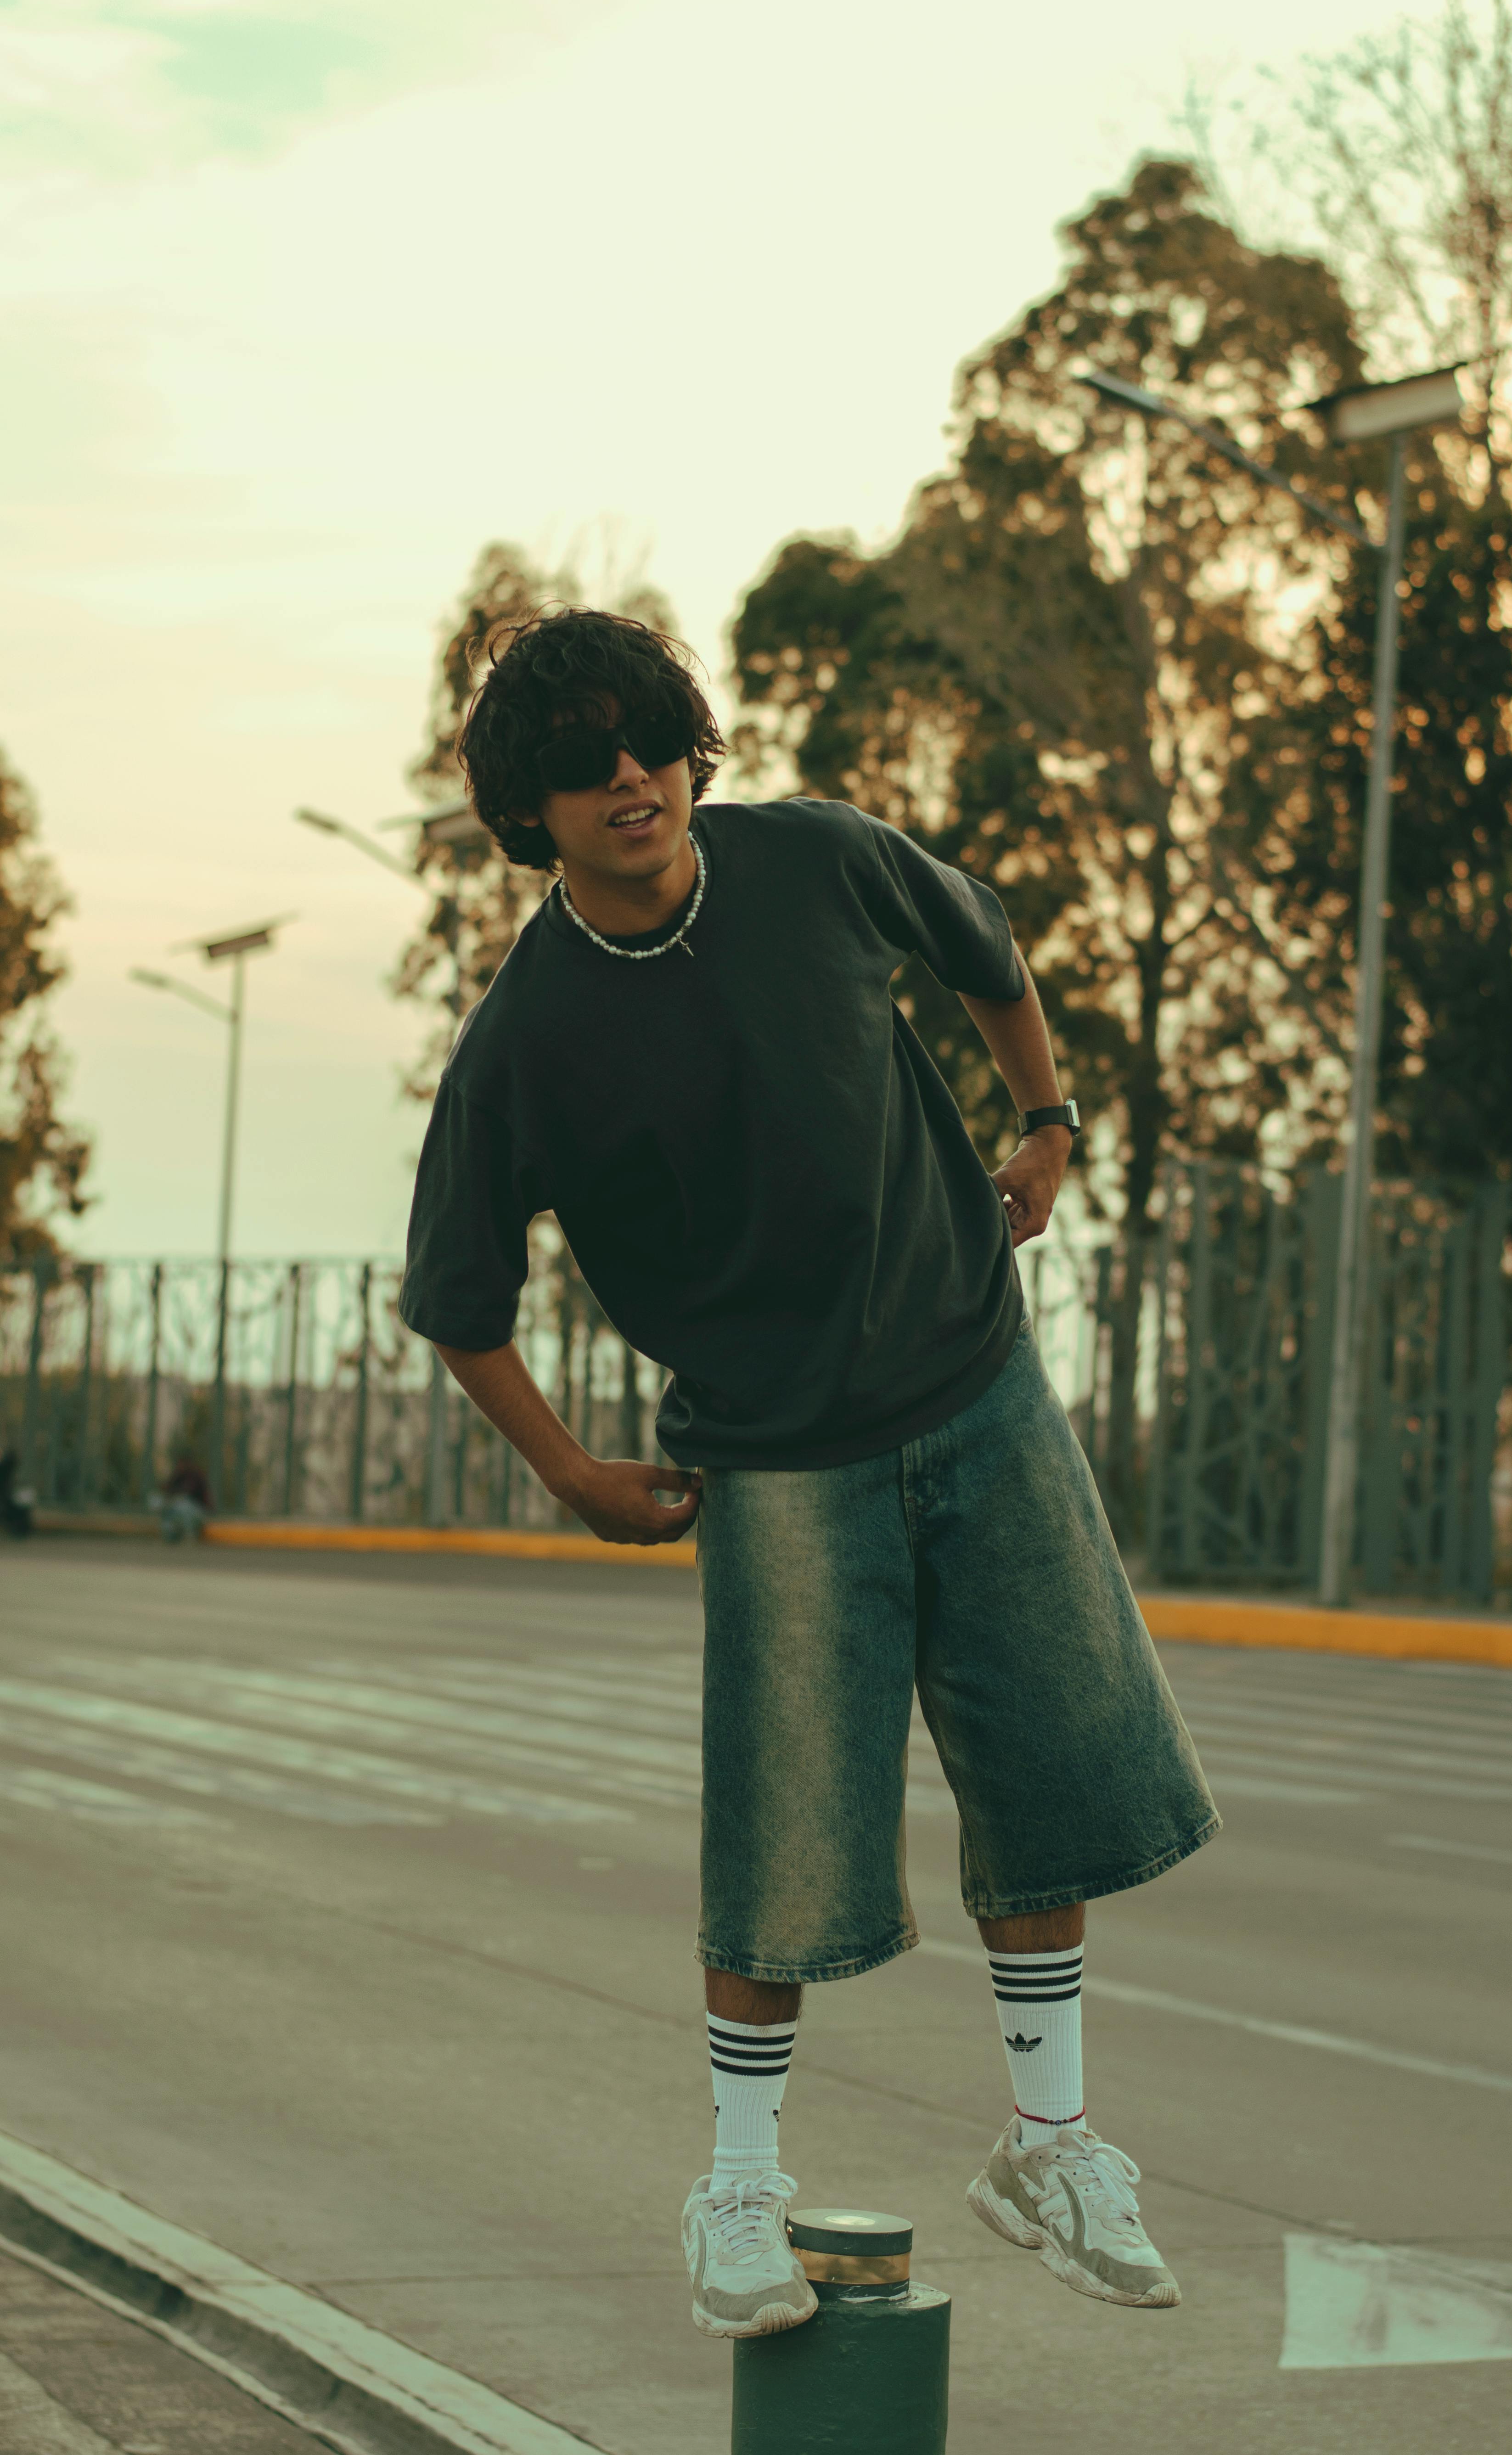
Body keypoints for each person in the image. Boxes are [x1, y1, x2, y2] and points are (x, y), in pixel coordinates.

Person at [400, 611, 1220, 2340]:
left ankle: (1051, 2146)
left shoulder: (820, 860)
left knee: (1052, 1766)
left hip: (976, 1382)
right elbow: (459, 1298)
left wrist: (1047, 1120)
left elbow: (983, 945)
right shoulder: (527, 1034)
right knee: (786, 1838)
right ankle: (738, 2186)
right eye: (581, 761)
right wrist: (571, 1473)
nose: (629, 775)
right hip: (774, 1459)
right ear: (530, 808)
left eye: (651, 737)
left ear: (691, 744)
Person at [157, 1455, 212, 1544]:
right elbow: (166, 1489)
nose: (180, 1467)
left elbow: (186, 1492)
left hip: (198, 1512)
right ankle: (171, 1535)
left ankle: (190, 1535)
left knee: (182, 1505)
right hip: (182, 1510)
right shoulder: (178, 1476)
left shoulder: (195, 1476)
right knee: (163, 1505)